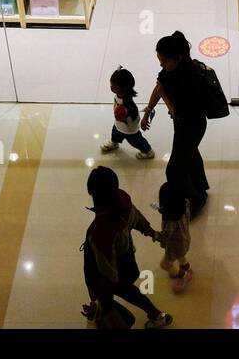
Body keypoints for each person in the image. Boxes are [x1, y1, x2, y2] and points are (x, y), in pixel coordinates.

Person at [80, 166, 173, 329]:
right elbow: (137, 219)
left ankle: (154, 314)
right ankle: (157, 315)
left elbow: (106, 269)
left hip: (112, 276)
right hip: (127, 262)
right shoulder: (122, 199)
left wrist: (99, 296)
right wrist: (152, 232)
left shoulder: (100, 231)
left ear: (92, 193)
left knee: (116, 305)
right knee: (128, 290)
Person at [140, 31, 210, 216]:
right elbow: (159, 88)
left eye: (164, 61)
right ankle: (201, 187)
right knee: (191, 155)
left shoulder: (189, 78)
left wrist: (165, 98)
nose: (161, 64)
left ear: (177, 58)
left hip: (192, 125)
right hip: (183, 124)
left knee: (174, 171)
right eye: (160, 60)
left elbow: (174, 108)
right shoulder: (170, 71)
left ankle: (197, 199)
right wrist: (147, 112)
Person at [100, 67, 156, 159]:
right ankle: (114, 142)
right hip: (119, 124)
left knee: (136, 141)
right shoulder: (118, 95)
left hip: (129, 128)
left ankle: (148, 151)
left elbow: (134, 116)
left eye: (114, 85)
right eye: (111, 84)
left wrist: (125, 119)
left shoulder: (128, 104)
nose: (111, 87)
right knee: (115, 132)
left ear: (123, 88)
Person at [155, 181, 193, 293]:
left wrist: (155, 235)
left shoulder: (171, 221)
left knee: (165, 264)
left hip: (174, 246)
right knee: (181, 255)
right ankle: (186, 266)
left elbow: (165, 236)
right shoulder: (185, 203)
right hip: (185, 239)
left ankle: (183, 275)